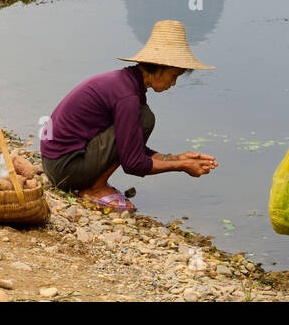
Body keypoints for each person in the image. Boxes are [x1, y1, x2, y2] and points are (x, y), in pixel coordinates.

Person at [41, 19, 218, 211]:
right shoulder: (128, 97)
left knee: (144, 118)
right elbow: (133, 163)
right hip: (65, 169)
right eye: (173, 76)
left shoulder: (126, 84)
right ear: (159, 66)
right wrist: (181, 166)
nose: (173, 83)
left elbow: (130, 144)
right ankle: (95, 188)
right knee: (146, 119)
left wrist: (174, 158)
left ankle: (95, 185)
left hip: (56, 165)